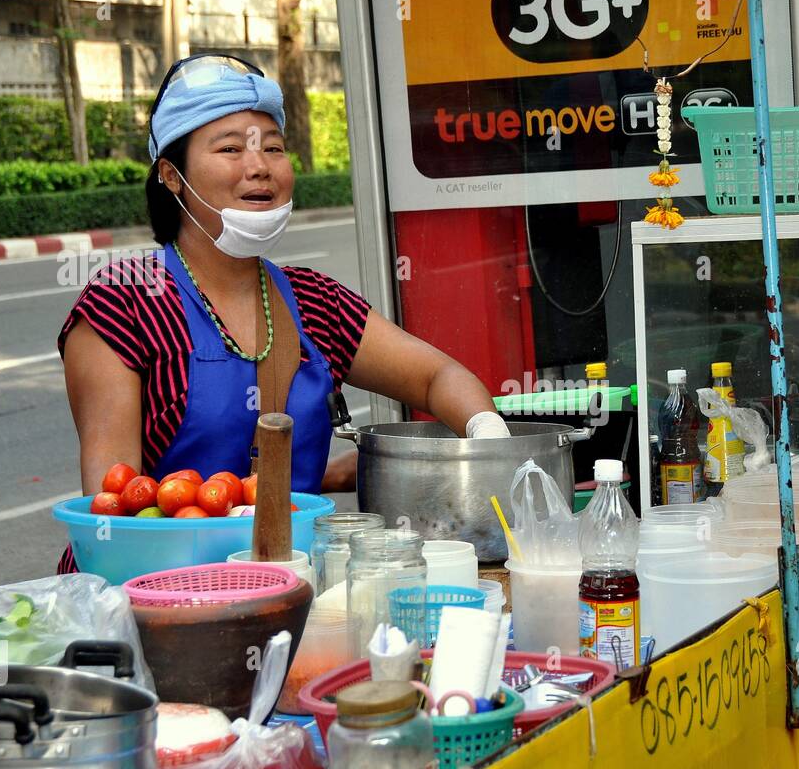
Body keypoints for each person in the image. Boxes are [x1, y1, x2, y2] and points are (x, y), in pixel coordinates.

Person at [57, 54, 509, 571]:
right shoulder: (123, 302)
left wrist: (487, 435)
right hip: (151, 594)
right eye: (230, 148)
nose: (259, 166)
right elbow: (114, 512)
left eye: (273, 147)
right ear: (172, 176)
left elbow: (437, 377)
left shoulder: (317, 303)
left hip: (288, 589)